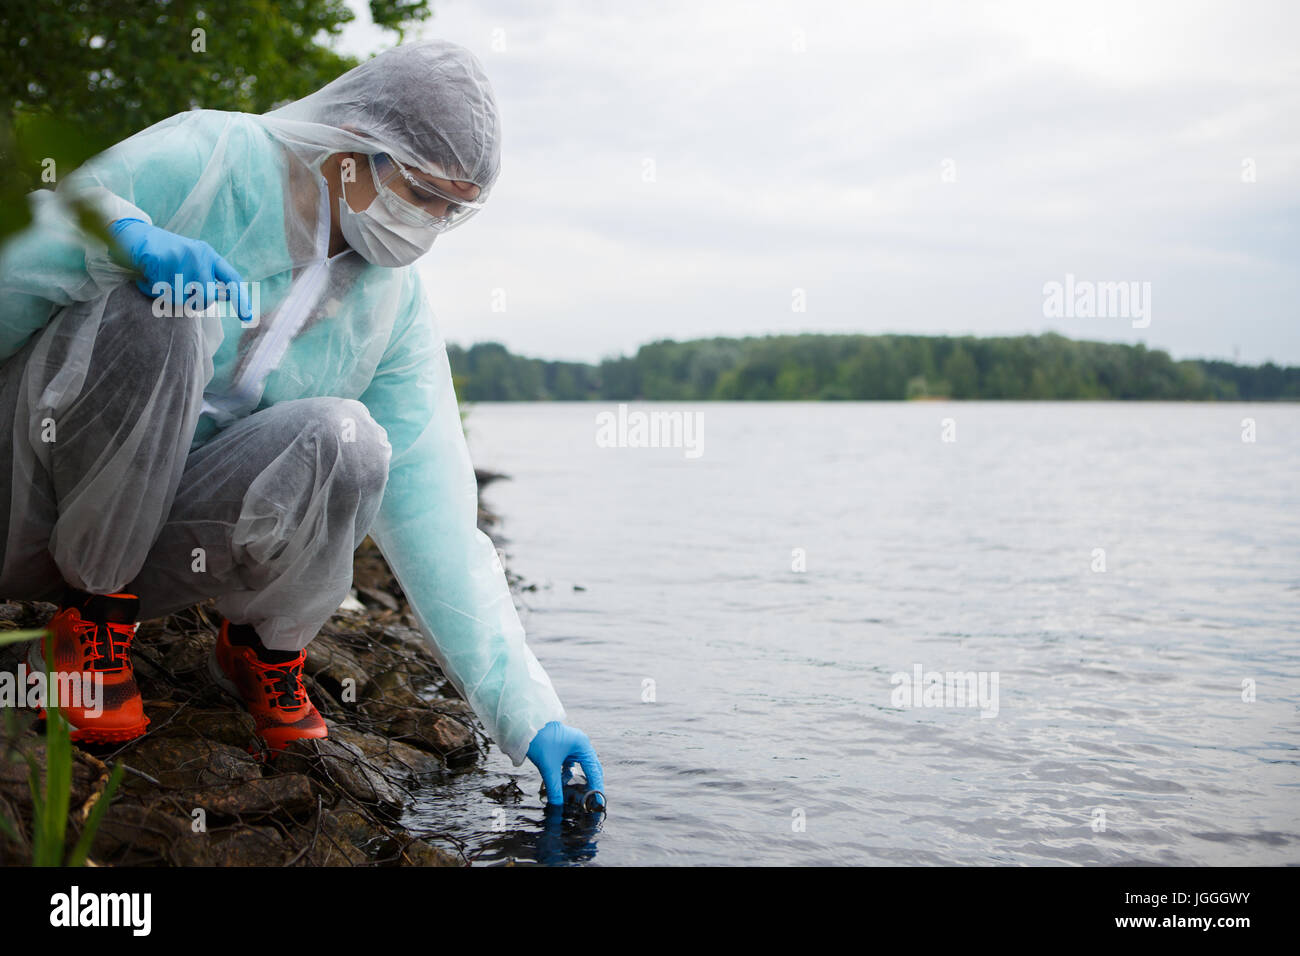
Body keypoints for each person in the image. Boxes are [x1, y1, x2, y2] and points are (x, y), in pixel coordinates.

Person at [0, 39, 604, 807]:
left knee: (351, 439)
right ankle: (84, 623)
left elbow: (437, 508)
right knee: (172, 312)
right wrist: (117, 238)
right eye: (422, 192)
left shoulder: (390, 301)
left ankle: (252, 646)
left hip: (152, 553)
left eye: (453, 210)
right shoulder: (209, 155)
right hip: (22, 490)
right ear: (357, 150)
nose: (430, 224)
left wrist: (532, 715)